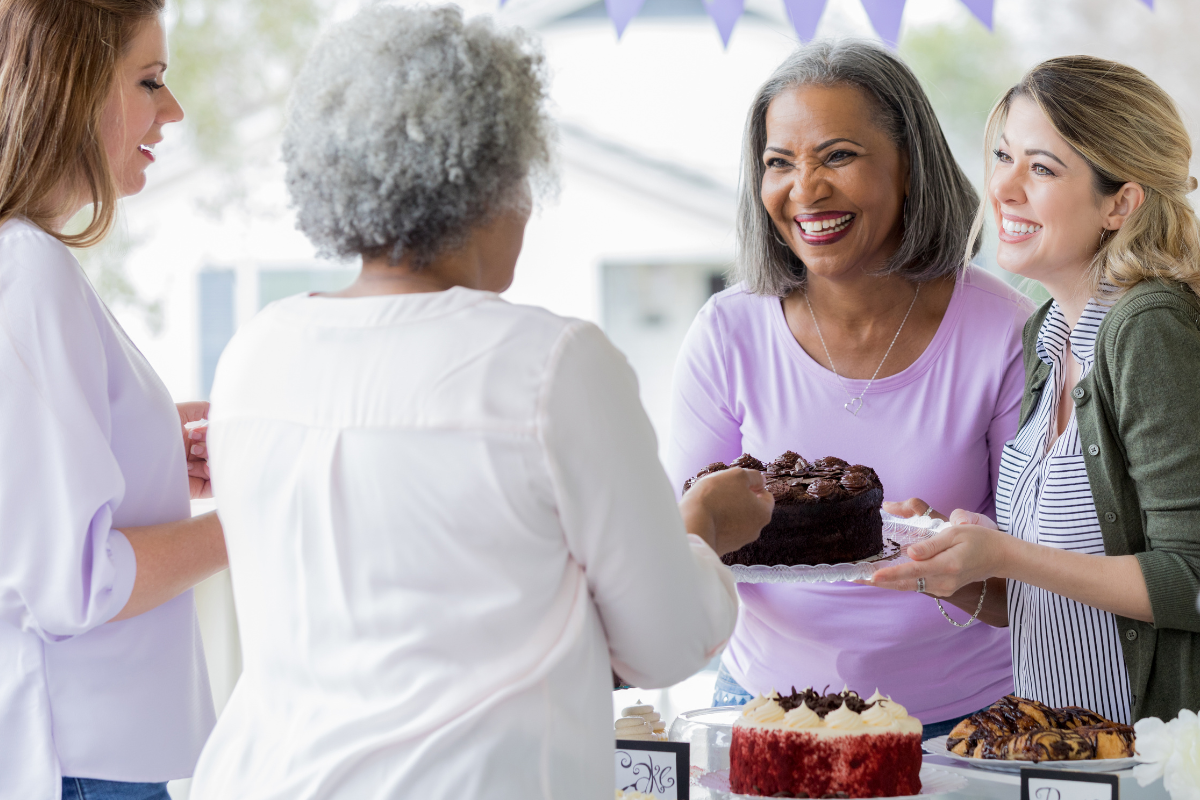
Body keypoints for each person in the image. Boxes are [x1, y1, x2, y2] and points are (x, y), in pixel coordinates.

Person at [188, 7, 772, 799]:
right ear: (486, 181)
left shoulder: (256, 354)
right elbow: (666, 647)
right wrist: (704, 527)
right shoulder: (551, 364)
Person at [665, 40, 1034, 738]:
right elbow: (674, 557)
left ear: (908, 168)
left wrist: (949, 568)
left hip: (961, 726)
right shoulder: (727, 331)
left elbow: (1044, 588)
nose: (804, 189)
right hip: (762, 713)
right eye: (780, 162)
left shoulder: (1001, 330)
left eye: (837, 155)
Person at [870, 56, 1200, 725]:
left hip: (1141, 767)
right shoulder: (1046, 335)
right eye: (1002, 155)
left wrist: (1009, 552)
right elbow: (1047, 597)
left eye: (1042, 168)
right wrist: (958, 565)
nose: (1004, 188)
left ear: (1121, 203)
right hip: (1060, 758)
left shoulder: (1148, 328)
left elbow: (1190, 580)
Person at [0, 2, 228, 799]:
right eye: (149, 80)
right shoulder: (29, 272)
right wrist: (254, 519)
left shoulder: (21, 265)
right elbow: (75, 581)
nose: (173, 110)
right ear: (72, 86)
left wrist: (149, 448)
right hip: (78, 767)